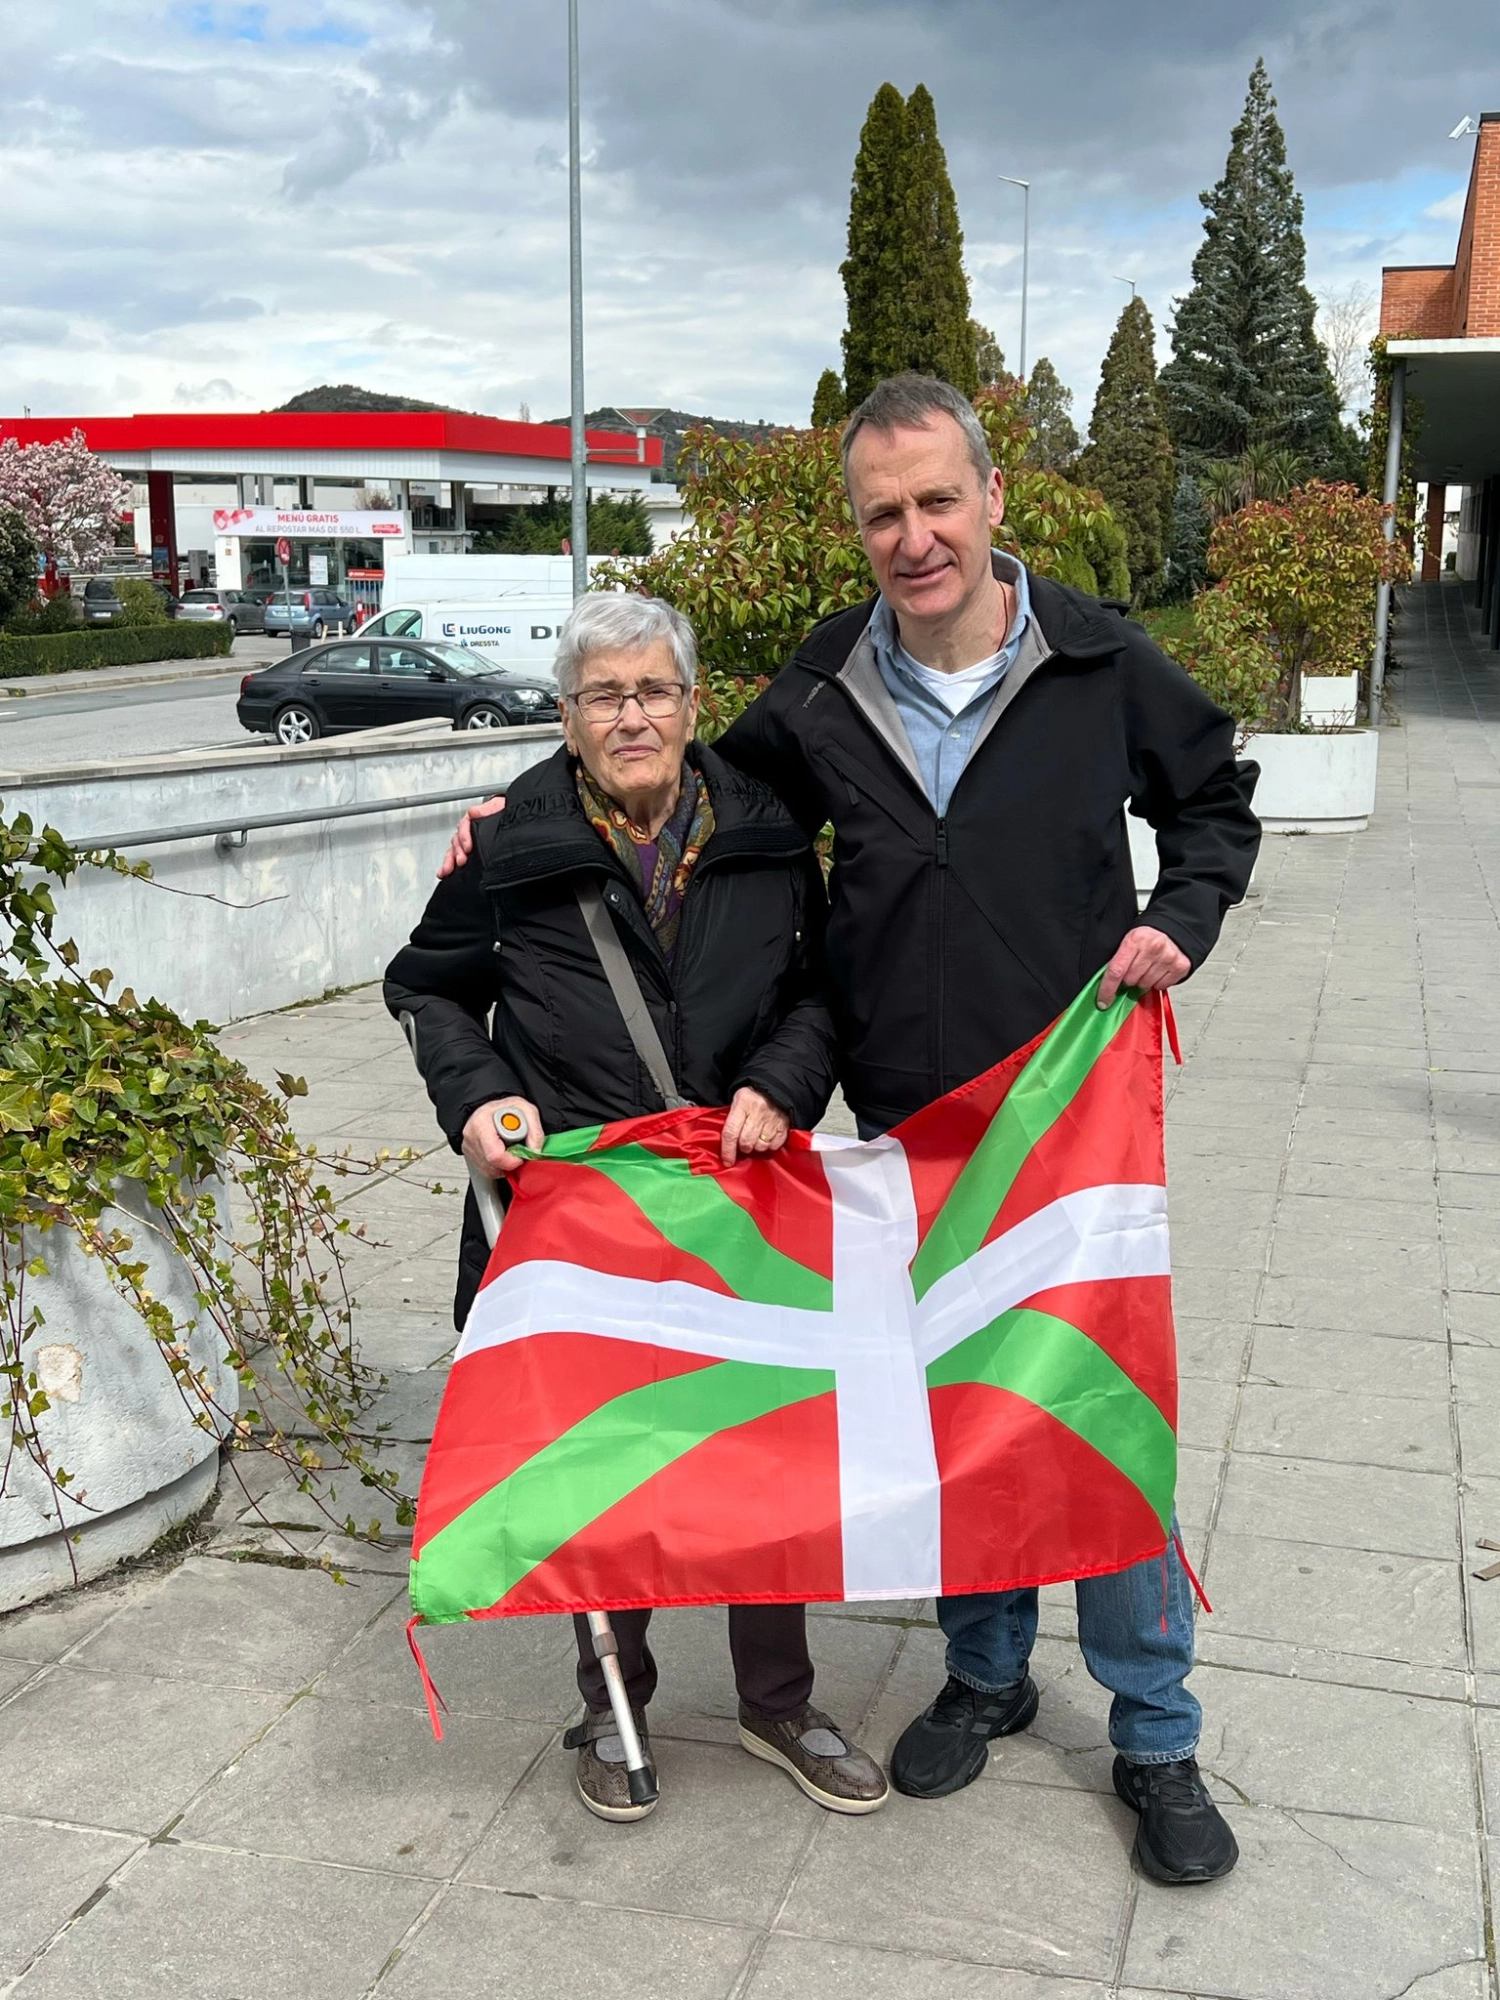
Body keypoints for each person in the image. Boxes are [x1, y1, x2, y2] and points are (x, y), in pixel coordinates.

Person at [441, 375, 1261, 1882]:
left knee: (1095, 1404)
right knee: (955, 1409)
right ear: (858, 528)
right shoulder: (820, 690)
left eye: (938, 500)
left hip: (1063, 1121)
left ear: (993, 496)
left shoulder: (1099, 661)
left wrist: (1182, 919)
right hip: (898, 1132)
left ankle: (1158, 1735)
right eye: (884, 513)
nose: (915, 535)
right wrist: (522, 822)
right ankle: (988, 1676)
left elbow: (1215, 806)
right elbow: (683, 781)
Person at [385, 590, 888, 1826]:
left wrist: (784, 1079)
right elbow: (425, 988)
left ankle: (778, 1699)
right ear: (566, 715)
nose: (632, 715)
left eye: (653, 689)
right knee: (607, 1464)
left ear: (692, 701)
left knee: (765, 1456)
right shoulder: (506, 845)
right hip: (582, 1220)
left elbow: (823, 990)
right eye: (604, 694)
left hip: (738, 1209)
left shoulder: (767, 832)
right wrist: (482, 1098)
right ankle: (613, 1704)